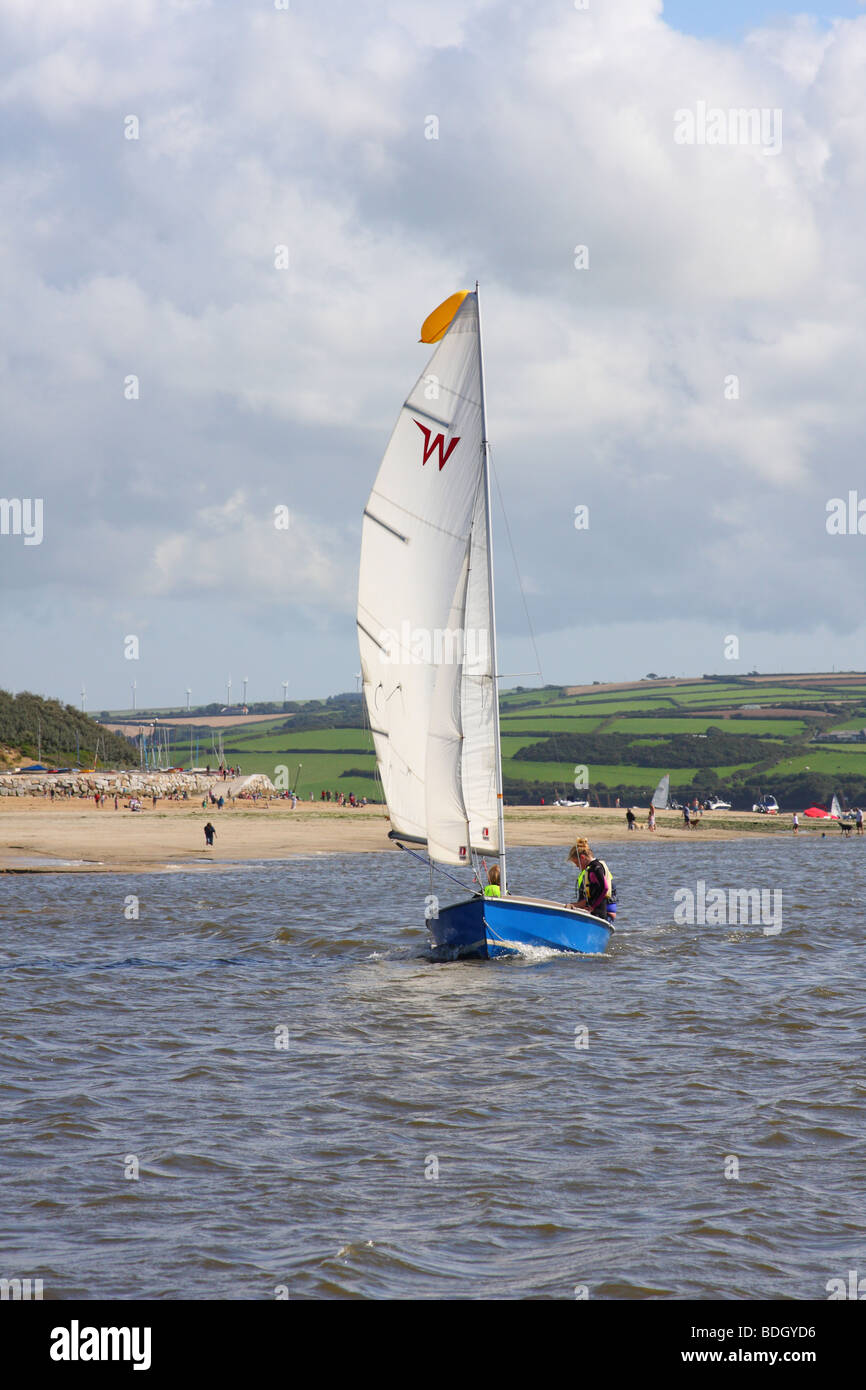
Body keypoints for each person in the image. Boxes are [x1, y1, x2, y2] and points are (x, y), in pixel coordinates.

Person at [567, 838, 616, 923]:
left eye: (577, 863)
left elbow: (604, 888)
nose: (577, 866)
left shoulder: (596, 868)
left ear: (582, 857)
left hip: (599, 913)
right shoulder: (591, 869)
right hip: (595, 911)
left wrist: (593, 906)